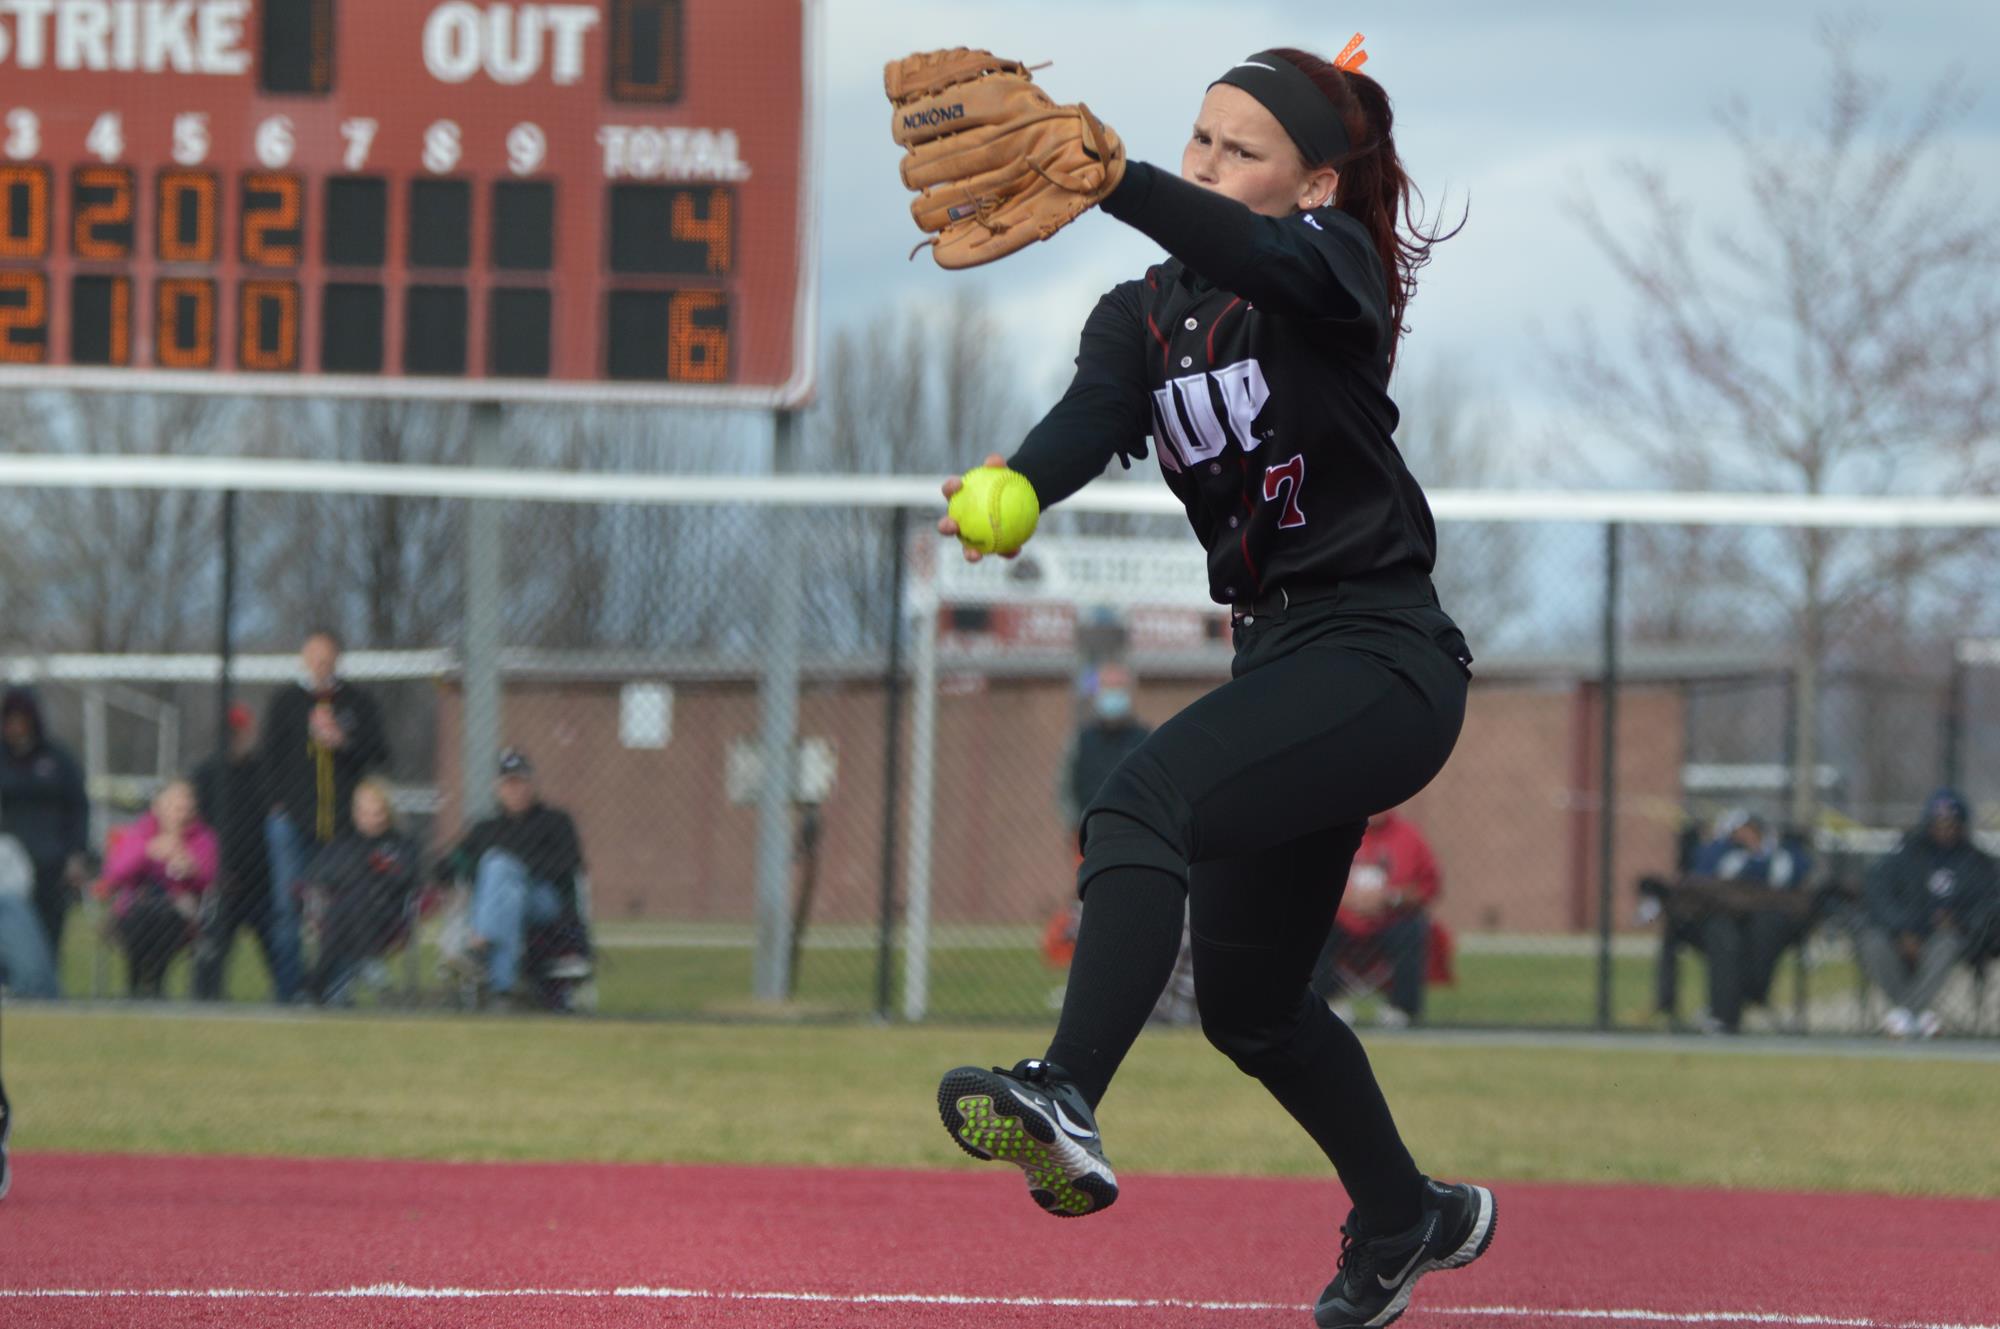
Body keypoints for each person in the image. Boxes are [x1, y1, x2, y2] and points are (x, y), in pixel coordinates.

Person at [926, 41, 1492, 1327]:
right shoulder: (1138, 310)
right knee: (1248, 1007)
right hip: (1280, 658)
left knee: (1136, 804)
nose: (1206, 164)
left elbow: (1261, 259)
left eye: (1240, 149)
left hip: (1382, 656)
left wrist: (1117, 175)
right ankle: (1411, 1216)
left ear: (1313, 183)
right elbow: (1094, 409)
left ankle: (1063, 1093)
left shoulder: (1326, 267)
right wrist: (1017, 481)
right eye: (1197, 139)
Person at [260, 629, 389, 1004]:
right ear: (303, 658)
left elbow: (379, 753)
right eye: (313, 656)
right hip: (292, 824)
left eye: (327, 657)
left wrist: (342, 742)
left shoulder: (356, 702)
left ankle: (330, 988)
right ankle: (289, 991)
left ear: (337, 660)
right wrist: (277, 804)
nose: (320, 664)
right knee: (288, 908)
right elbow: (269, 758)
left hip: (342, 827)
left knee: (341, 907)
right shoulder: (285, 702)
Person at [434, 750, 587, 1006]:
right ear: (498, 787)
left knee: (499, 866)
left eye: (520, 783)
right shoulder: (485, 827)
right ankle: (501, 991)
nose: (515, 790)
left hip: (543, 901)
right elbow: (446, 869)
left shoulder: (555, 821)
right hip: (506, 902)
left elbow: (569, 864)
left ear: (532, 784)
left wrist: (517, 868)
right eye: (509, 784)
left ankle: (480, 943)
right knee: (507, 890)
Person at [1858, 789, 1999, 1039]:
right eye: (1939, 823)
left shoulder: (1978, 862)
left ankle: (1903, 1016)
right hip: (1900, 933)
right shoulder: (1904, 856)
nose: (1945, 829)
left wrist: (1959, 922)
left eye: (1952, 824)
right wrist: (1903, 929)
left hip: (1949, 937)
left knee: (1946, 944)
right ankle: (1920, 1017)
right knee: (1872, 942)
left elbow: (1987, 906)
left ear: (1962, 825)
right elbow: (1877, 893)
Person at [1654, 811, 1812, 1035]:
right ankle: (1723, 1015)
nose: (1745, 836)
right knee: (1724, 936)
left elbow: (1790, 874)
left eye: (1750, 830)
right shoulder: (1719, 852)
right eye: (1739, 832)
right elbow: (1706, 873)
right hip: (1721, 918)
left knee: (1764, 929)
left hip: (1766, 920)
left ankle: (1748, 995)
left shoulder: (1781, 853)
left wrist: (1757, 855)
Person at [1310, 808, 1444, 1028]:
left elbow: (1428, 886)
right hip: (1341, 919)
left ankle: (1402, 1009)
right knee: (1312, 924)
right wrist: (1346, 898)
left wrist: (1391, 897)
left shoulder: (1409, 836)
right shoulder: (1334, 832)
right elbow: (1312, 882)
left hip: (1389, 921)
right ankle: (1328, 1000)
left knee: (1414, 927)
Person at [301, 780, 421, 1006]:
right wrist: (365, 868)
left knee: (353, 900)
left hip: (386, 915)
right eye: (365, 812)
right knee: (346, 905)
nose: (371, 819)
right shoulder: (345, 841)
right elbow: (323, 874)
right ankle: (363, 965)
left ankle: (316, 986)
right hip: (345, 914)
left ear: (387, 812)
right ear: (356, 813)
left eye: (377, 812)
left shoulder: (400, 843)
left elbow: (406, 877)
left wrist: (379, 869)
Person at [0, 687, 91, 982]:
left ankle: (43, 994)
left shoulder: (58, 759)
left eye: (20, 719)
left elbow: (78, 808)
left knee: (48, 935)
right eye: (8, 719)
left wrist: (77, 855)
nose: (14, 726)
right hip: (7, 867)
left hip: (51, 864)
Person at [97, 779, 218, 999]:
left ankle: (155, 985)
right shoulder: (139, 833)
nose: (180, 810)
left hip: (178, 913)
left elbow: (210, 879)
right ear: (158, 806)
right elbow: (114, 874)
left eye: (186, 804)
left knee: (165, 915)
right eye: (173, 803)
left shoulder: (202, 837)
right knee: (143, 913)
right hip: (134, 909)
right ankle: (135, 983)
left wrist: (191, 869)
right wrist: (148, 852)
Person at [191, 704, 278, 1000]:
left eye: (240, 732)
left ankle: (292, 998)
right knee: (210, 955)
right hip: (221, 883)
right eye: (230, 732)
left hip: (263, 881)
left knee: (280, 948)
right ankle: (206, 1001)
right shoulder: (205, 774)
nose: (235, 738)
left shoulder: (266, 772)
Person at [1058, 663, 1154, 833]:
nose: (1112, 694)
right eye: (1107, 687)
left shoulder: (1144, 739)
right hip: (1089, 833)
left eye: (1118, 687)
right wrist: (1076, 826)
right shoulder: (1081, 739)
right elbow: (1064, 787)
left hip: (1134, 832)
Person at [0, 824, 58, 998]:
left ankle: (36, 994)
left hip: (11, 909)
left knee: (11, 904)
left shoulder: (7, 847)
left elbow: (22, 886)